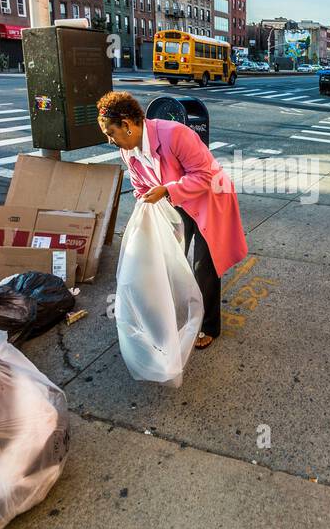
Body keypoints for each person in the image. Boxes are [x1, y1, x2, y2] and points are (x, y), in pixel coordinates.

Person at [97, 91, 248, 349]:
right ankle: (172, 315)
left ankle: (209, 326)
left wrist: (167, 190)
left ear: (126, 124)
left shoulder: (175, 134)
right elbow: (140, 186)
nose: (110, 140)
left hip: (209, 199)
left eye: (111, 134)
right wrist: (145, 206)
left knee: (204, 266)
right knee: (167, 258)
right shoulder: (128, 152)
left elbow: (205, 175)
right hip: (175, 202)